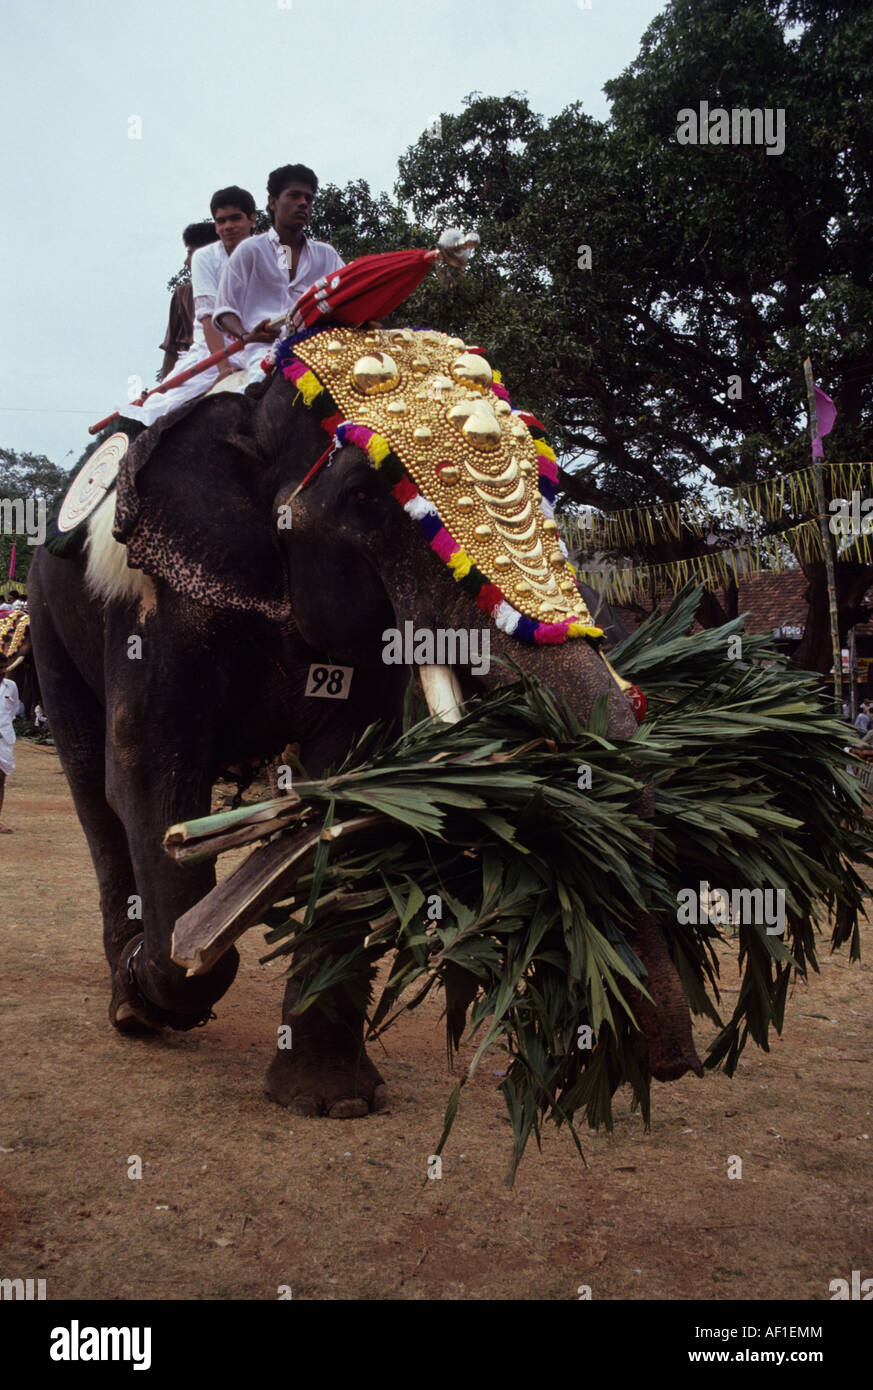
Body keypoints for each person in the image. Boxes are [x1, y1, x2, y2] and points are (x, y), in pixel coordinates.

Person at [126, 186, 257, 427]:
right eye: (221, 221)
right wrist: (223, 369)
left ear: (252, 219)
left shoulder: (273, 252)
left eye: (235, 218)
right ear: (216, 226)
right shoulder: (202, 263)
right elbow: (208, 320)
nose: (228, 226)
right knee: (163, 412)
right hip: (211, 353)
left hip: (260, 343)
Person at [212, 164, 344, 382]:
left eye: (308, 198)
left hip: (320, 348)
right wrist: (247, 335)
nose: (303, 203)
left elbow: (348, 295)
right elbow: (224, 310)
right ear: (273, 202)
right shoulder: (250, 250)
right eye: (294, 195)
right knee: (260, 389)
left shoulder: (327, 255)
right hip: (264, 351)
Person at [159, 221, 219, 380]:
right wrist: (163, 388)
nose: (186, 262)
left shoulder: (235, 287)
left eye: (191, 254)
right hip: (189, 370)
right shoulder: (182, 294)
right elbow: (171, 350)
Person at [0, 656, 18, 833]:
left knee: (0, 780)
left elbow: (12, 711)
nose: (3, 671)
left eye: (5, 667)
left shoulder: (11, 686)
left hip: (3, 740)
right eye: (0, 667)